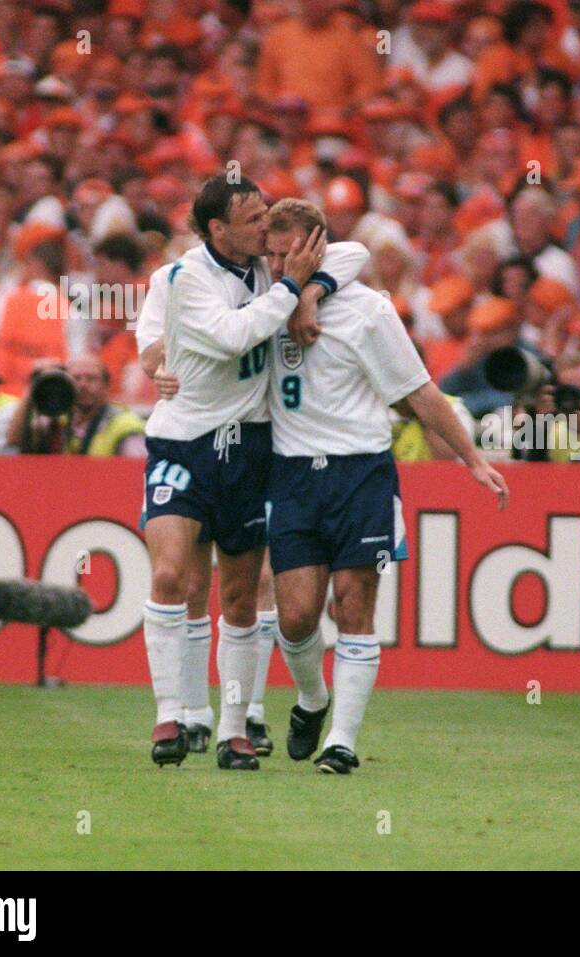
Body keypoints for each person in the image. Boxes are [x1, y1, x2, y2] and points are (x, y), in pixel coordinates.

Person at [260, 198, 508, 775]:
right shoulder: (264, 301)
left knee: (354, 605)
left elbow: (419, 391)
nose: (276, 264)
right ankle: (313, 700)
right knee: (295, 617)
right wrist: (301, 291)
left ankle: (342, 741)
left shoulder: (370, 311)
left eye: (286, 252)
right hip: (292, 471)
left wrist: (471, 458)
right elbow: (352, 251)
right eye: (270, 253)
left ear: (314, 245)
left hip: (360, 472)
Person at [135, 192, 370, 758]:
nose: (267, 227)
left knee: (242, 594)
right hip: (184, 441)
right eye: (254, 220)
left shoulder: (269, 267)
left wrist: (309, 288)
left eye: (267, 216)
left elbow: (354, 251)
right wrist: (294, 289)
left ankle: (234, 726)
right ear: (218, 229)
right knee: (172, 576)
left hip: (250, 447)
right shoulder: (185, 277)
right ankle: (173, 716)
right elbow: (232, 336)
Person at [7, 354, 147, 456]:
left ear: (106, 386)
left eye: (91, 378)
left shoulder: (125, 424)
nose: (83, 385)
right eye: (76, 378)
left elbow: (137, 473)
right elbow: (15, 440)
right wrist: (36, 382)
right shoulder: (57, 417)